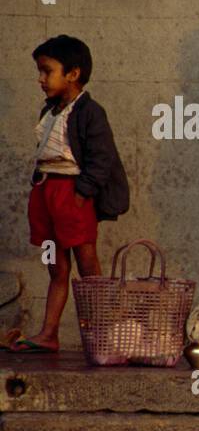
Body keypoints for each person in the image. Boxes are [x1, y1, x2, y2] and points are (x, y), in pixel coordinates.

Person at [9, 35, 129, 353]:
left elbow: (102, 159)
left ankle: (104, 333)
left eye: (47, 71)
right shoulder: (48, 111)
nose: (41, 79)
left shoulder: (90, 112)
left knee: (87, 264)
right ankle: (49, 333)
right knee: (56, 267)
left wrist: (82, 194)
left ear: (73, 74)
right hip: (45, 193)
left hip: (72, 194)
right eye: (40, 71)